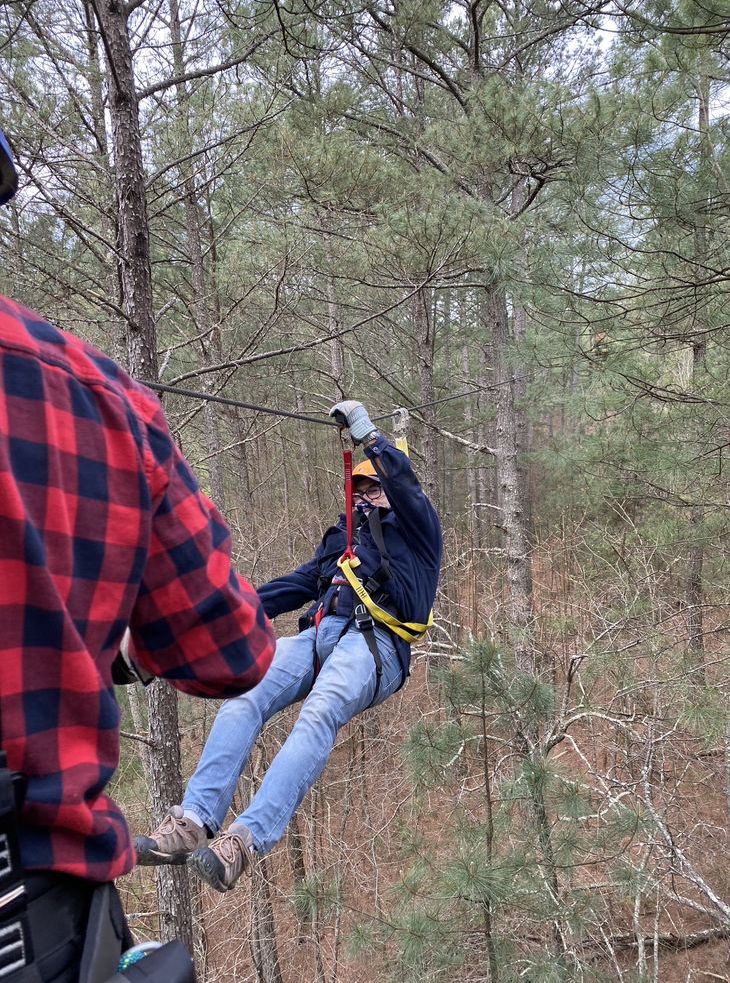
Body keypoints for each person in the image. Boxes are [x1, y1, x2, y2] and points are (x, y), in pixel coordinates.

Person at [0, 130, 276, 982]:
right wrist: (110, 643)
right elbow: (236, 651)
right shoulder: (97, 397)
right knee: (262, 693)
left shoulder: (397, 517)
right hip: (40, 919)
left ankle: (236, 829)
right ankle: (205, 823)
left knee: (319, 701)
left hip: (373, 639)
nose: (372, 495)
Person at [135, 401, 442, 892]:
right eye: (360, 488)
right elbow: (296, 585)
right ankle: (193, 821)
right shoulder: (342, 539)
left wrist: (367, 435)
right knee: (245, 693)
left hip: (376, 647)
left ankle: (246, 839)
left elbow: (404, 486)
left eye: (376, 488)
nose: (367, 496)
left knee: (319, 712)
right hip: (320, 634)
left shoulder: (419, 534)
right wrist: (216, 614)